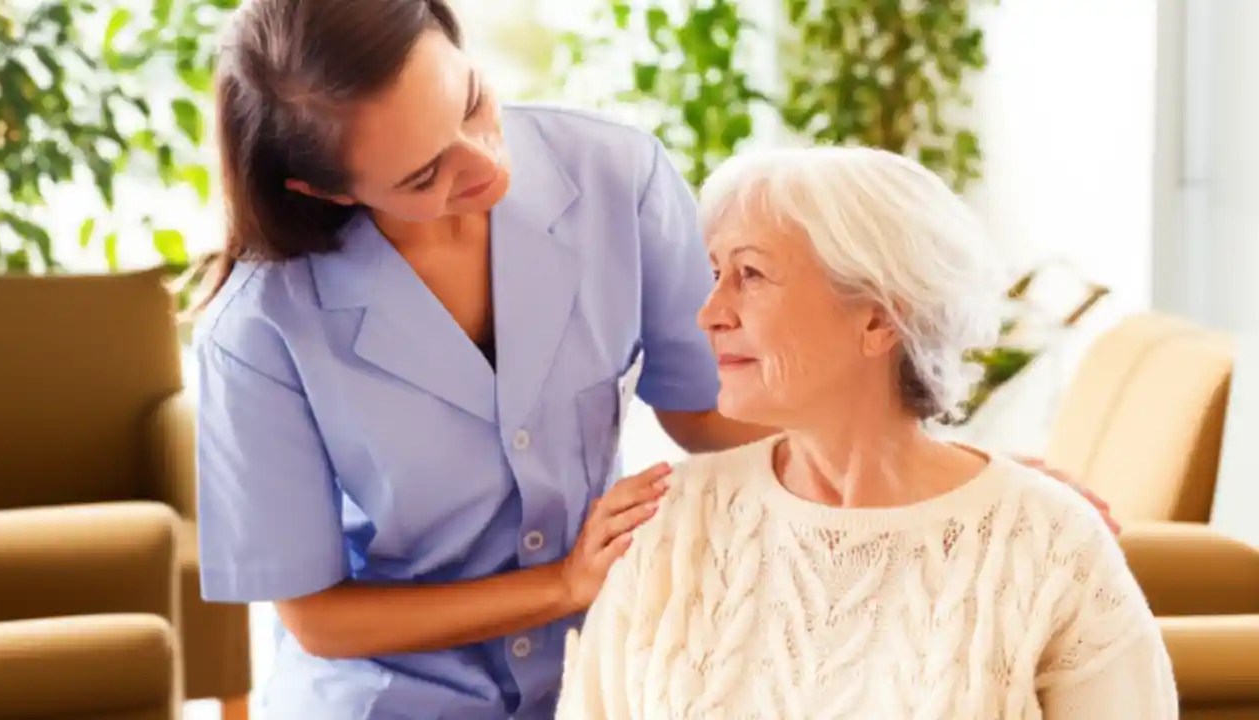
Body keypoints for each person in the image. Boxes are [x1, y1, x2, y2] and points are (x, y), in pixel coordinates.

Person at [193, 1, 1119, 717]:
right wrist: (558, 586)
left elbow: (715, 412)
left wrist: (945, 477)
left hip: (604, 673)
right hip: (389, 700)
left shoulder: (613, 176)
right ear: (322, 188)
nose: (482, 166)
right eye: (422, 177)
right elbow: (315, 617)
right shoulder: (259, 329)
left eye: (472, 104)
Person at [556, 147, 1177, 719]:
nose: (710, 312)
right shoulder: (669, 523)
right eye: (715, 273)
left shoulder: (1047, 541)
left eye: (750, 274)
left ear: (878, 319)